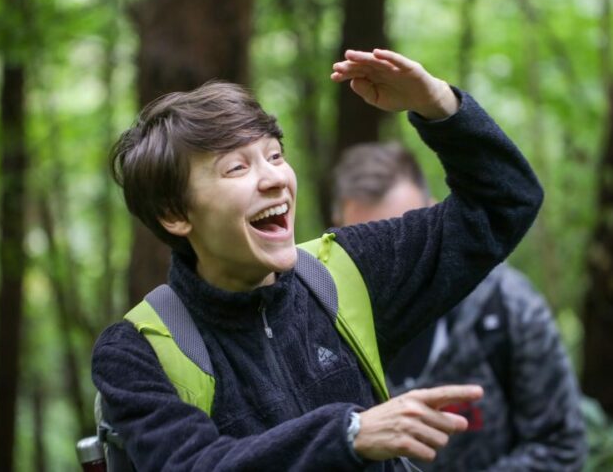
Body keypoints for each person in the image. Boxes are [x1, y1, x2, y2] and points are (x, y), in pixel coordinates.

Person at [92, 48, 544, 471]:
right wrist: (348, 433)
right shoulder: (137, 351)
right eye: (237, 167)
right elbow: (195, 464)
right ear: (174, 214)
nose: (273, 178)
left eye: (274, 155)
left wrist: (439, 105)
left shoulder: (347, 270)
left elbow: (503, 205)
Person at [332, 142, 586, 471]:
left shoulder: (506, 306)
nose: (390, 261)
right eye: (366, 242)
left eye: (404, 235)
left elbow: (562, 445)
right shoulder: (320, 325)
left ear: (437, 219)